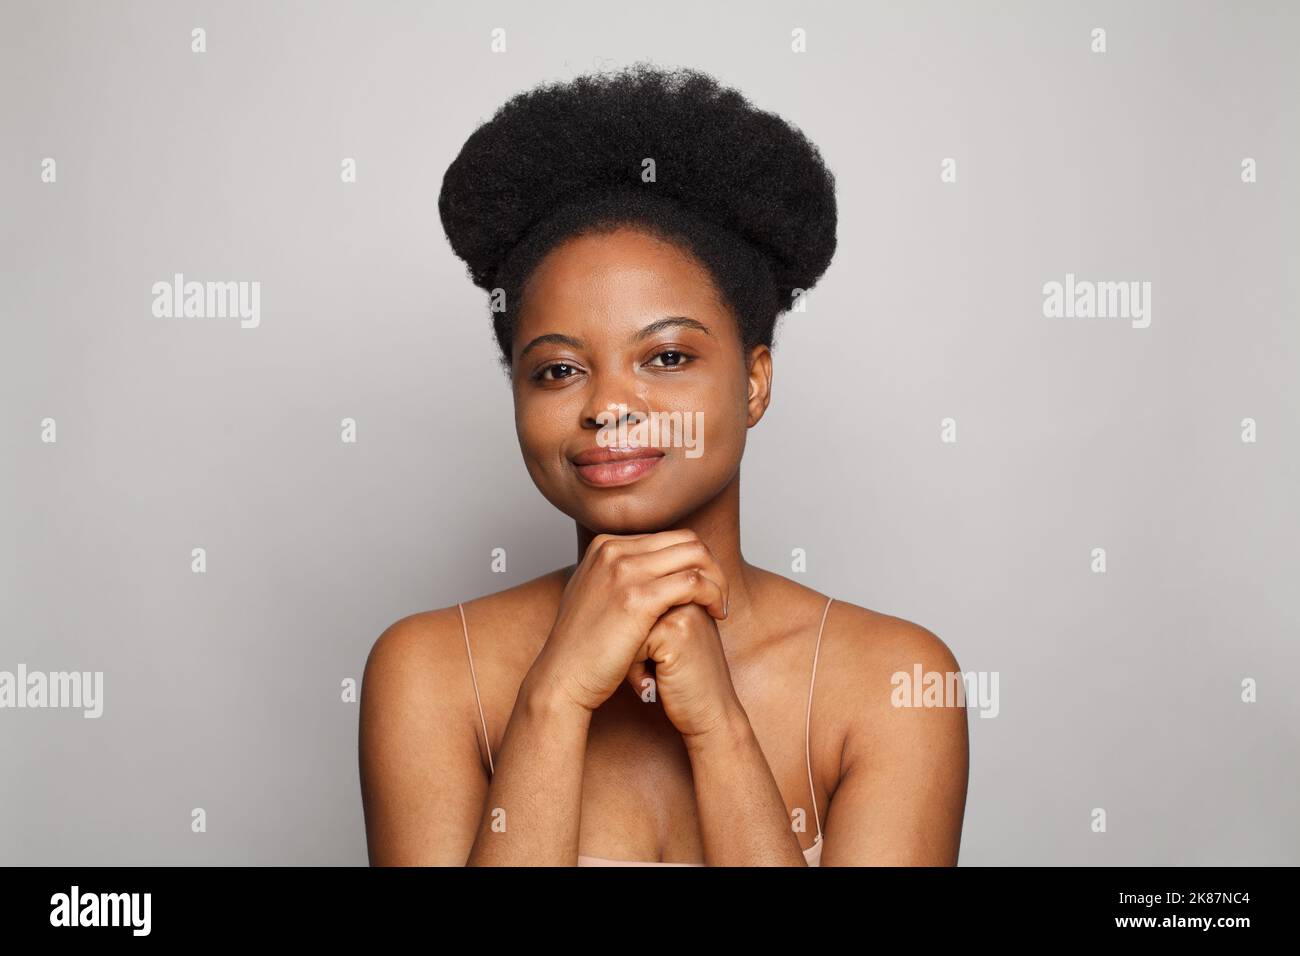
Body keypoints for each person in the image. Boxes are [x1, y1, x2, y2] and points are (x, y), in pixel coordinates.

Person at [359, 62, 968, 866]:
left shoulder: (894, 681)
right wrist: (556, 697)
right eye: (558, 369)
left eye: (668, 356)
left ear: (754, 382)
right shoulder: (430, 672)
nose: (607, 406)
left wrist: (721, 731)